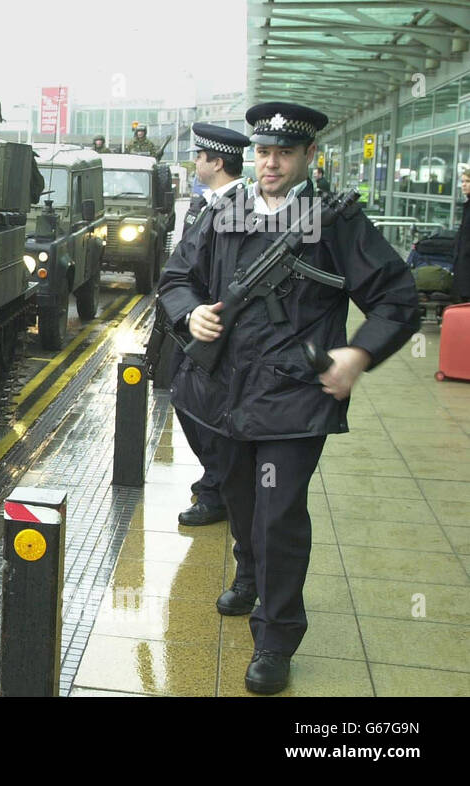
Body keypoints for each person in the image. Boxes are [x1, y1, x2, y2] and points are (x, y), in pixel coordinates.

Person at [158, 102, 419, 694]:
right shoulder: (226, 212)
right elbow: (176, 278)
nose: (270, 163)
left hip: (292, 399)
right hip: (220, 392)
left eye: (284, 154)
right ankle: (248, 571)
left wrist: (358, 354)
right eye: (263, 152)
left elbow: (397, 299)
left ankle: (275, 637)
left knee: (278, 516)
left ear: (308, 157)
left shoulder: (333, 221)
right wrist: (190, 310)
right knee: (241, 500)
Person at [168, 122, 251, 527]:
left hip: (216, 333)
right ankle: (215, 485)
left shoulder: (237, 210)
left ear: (216, 162)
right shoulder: (212, 204)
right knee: (188, 403)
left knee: (205, 413)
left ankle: (217, 491)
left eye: (200, 156)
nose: (196, 162)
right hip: (194, 325)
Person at [454, 168, 470, 302]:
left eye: (468, 181)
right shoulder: (467, 206)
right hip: (463, 263)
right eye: (462, 181)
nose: (463, 185)